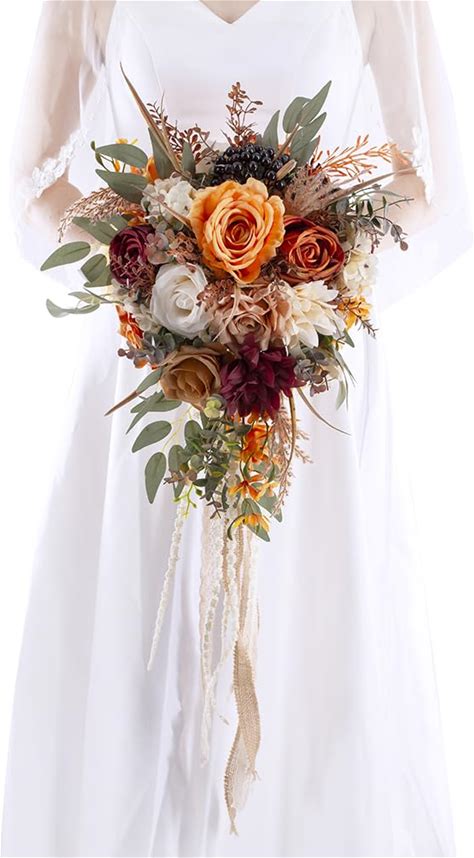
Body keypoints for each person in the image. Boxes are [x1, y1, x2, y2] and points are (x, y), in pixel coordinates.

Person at [2, 2, 471, 855]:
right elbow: (33, 180)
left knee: (311, 635)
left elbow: (429, 182)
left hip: (304, 372)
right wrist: (157, 280)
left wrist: (311, 278)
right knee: (141, 642)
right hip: (150, 367)